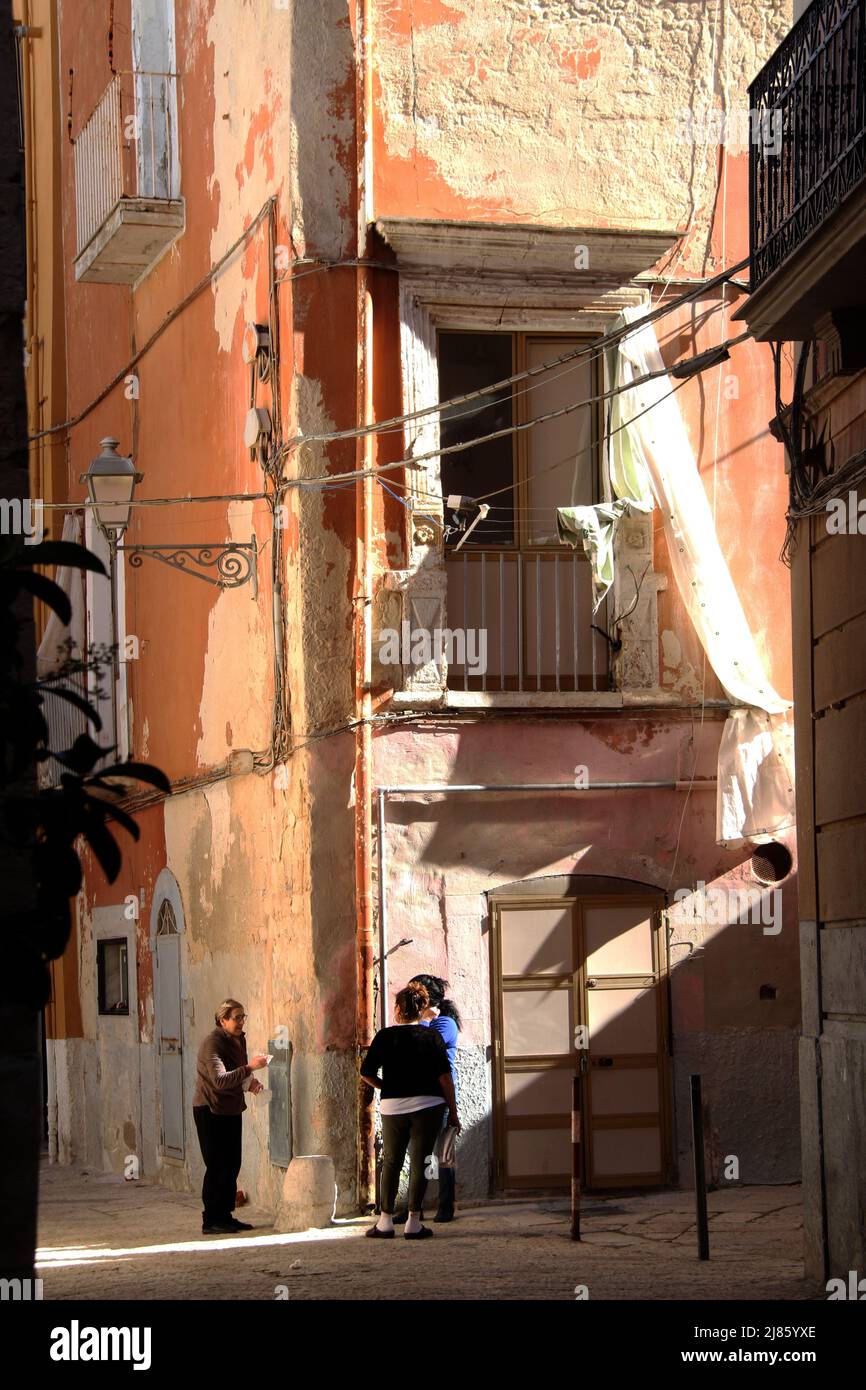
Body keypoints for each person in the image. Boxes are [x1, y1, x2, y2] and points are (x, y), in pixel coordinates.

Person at [361, 981, 460, 1240]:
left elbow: (366, 1073)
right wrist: (453, 1110)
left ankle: (384, 1222)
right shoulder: (432, 1037)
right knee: (422, 1161)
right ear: (422, 1009)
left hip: (393, 1107)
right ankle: (414, 1223)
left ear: (397, 1009)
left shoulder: (384, 1036)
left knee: (392, 1161)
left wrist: (387, 1087)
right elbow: (445, 1078)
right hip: (429, 1106)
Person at [192, 999, 269, 1235]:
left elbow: (236, 1075)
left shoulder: (238, 1039)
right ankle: (211, 1219)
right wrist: (249, 1068)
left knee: (232, 1163)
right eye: (236, 1017)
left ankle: (225, 1215)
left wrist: (249, 1084)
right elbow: (220, 1080)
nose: (241, 1022)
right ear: (222, 1020)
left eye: (243, 1017)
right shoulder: (212, 1043)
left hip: (231, 1109)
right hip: (210, 1109)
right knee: (216, 1165)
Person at [410, 973, 462, 1222]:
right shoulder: (425, 1022)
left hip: (442, 1095)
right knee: (418, 1153)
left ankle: (445, 1207)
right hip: (421, 1094)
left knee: (443, 1153)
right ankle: (413, 1208)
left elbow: (425, 1048)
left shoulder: (445, 1024)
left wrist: (421, 1021)